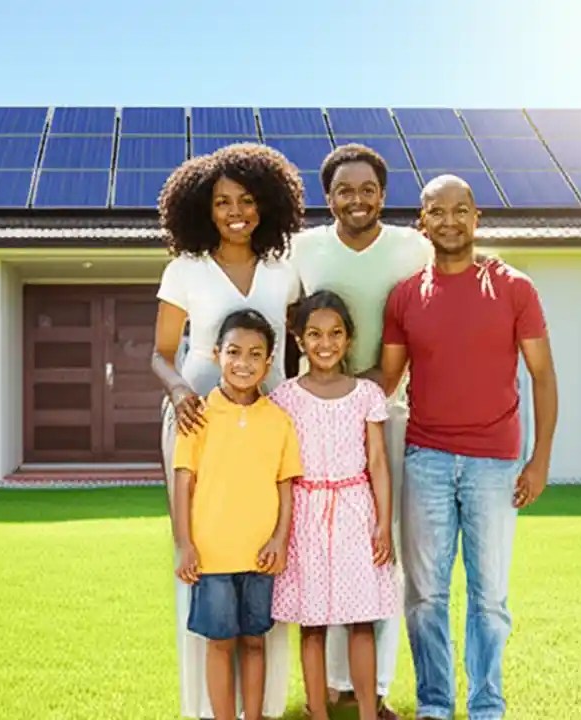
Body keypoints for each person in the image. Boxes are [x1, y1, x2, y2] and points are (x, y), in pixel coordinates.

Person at [379, 174, 559, 720]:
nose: (450, 221)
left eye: (461, 210)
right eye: (438, 212)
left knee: (489, 599)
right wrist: (315, 389)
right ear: (423, 222)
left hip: (495, 465)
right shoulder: (405, 296)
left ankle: (486, 706)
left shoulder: (514, 288)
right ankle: (434, 705)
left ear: (477, 217)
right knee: (425, 596)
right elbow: (384, 382)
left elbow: (543, 376)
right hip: (426, 460)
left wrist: (541, 459)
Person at [152, 143, 306, 719]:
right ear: (204, 208)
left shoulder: (282, 269)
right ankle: (208, 708)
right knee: (205, 555)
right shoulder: (185, 268)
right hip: (200, 417)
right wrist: (177, 391)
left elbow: (298, 342)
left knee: (267, 562)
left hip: (270, 422)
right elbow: (162, 354)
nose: (235, 211)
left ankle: (262, 707)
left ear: (265, 205)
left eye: (245, 200)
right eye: (222, 202)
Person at [287, 143, 431, 718]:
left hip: (384, 410)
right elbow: (287, 321)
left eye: (367, 189)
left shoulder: (411, 246)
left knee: (376, 544)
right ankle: (336, 687)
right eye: (344, 190)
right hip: (316, 416)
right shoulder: (305, 248)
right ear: (329, 198)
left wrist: (365, 393)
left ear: (382, 194)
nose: (357, 200)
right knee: (318, 548)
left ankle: (375, 690)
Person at [268, 290, 401, 720]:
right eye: (314, 334)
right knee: (312, 623)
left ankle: (367, 710)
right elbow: (279, 468)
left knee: (361, 620)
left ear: (348, 338)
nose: (325, 343)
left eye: (335, 333)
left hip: (354, 512)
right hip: (306, 514)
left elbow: (378, 461)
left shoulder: (366, 394)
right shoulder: (285, 398)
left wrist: (383, 523)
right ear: (300, 340)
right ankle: (317, 711)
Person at [172, 308, 301, 720]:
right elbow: (182, 483)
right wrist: (185, 545)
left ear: (269, 361)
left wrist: (280, 540)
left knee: (255, 641)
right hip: (211, 557)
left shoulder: (279, 420)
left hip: (261, 556)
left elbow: (286, 485)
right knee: (220, 643)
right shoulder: (198, 416)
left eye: (254, 354)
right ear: (216, 354)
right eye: (234, 352)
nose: (243, 363)